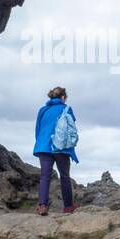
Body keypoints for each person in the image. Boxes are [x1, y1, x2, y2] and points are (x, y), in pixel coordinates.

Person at [33, 86, 78, 215]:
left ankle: (42, 206)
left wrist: (42, 143)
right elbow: (71, 129)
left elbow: (38, 129)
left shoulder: (43, 110)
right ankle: (68, 207)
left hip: (43, 147)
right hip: (61, 148)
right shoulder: (66, 109)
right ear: (63, 97)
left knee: (45, 176)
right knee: (64, 176)